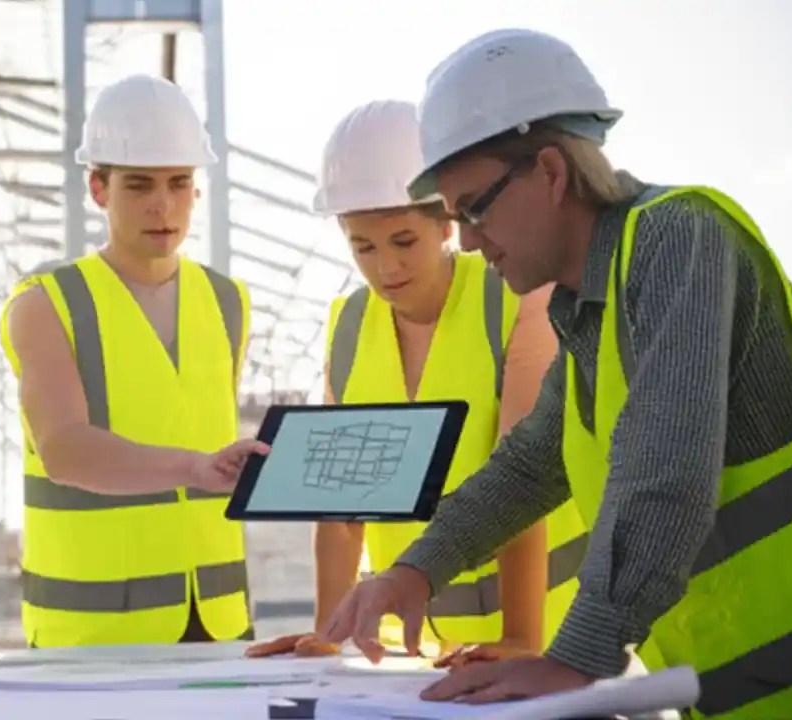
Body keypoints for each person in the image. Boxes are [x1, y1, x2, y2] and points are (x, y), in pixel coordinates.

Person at [322, 28, 792, 719]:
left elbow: (666, 476)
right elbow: (529, 466)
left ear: (550, 171)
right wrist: (414, 569)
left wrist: (574, 660)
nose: (471, 243)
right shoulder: (586, 310)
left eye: (476, 210)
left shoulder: (680, 240)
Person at [246, 99, 585, 663]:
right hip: (420, 650)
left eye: (403, 242)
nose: (385, 268)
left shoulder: (517, 296)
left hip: (547, 638)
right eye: (363, 247)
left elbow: (524, 474)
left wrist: (520, 640)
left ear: (447, 220)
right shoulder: (349, 324)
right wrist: (327, 637)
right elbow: (340, 507)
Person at [0, 74, 268, 649]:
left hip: (220, 622)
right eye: (139, 185)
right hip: (93, 636)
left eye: (179, 184)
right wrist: (193, 468)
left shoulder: (229, 303)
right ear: (98, 188)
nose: (162, 205)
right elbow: (65, 450)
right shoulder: (45, 303)